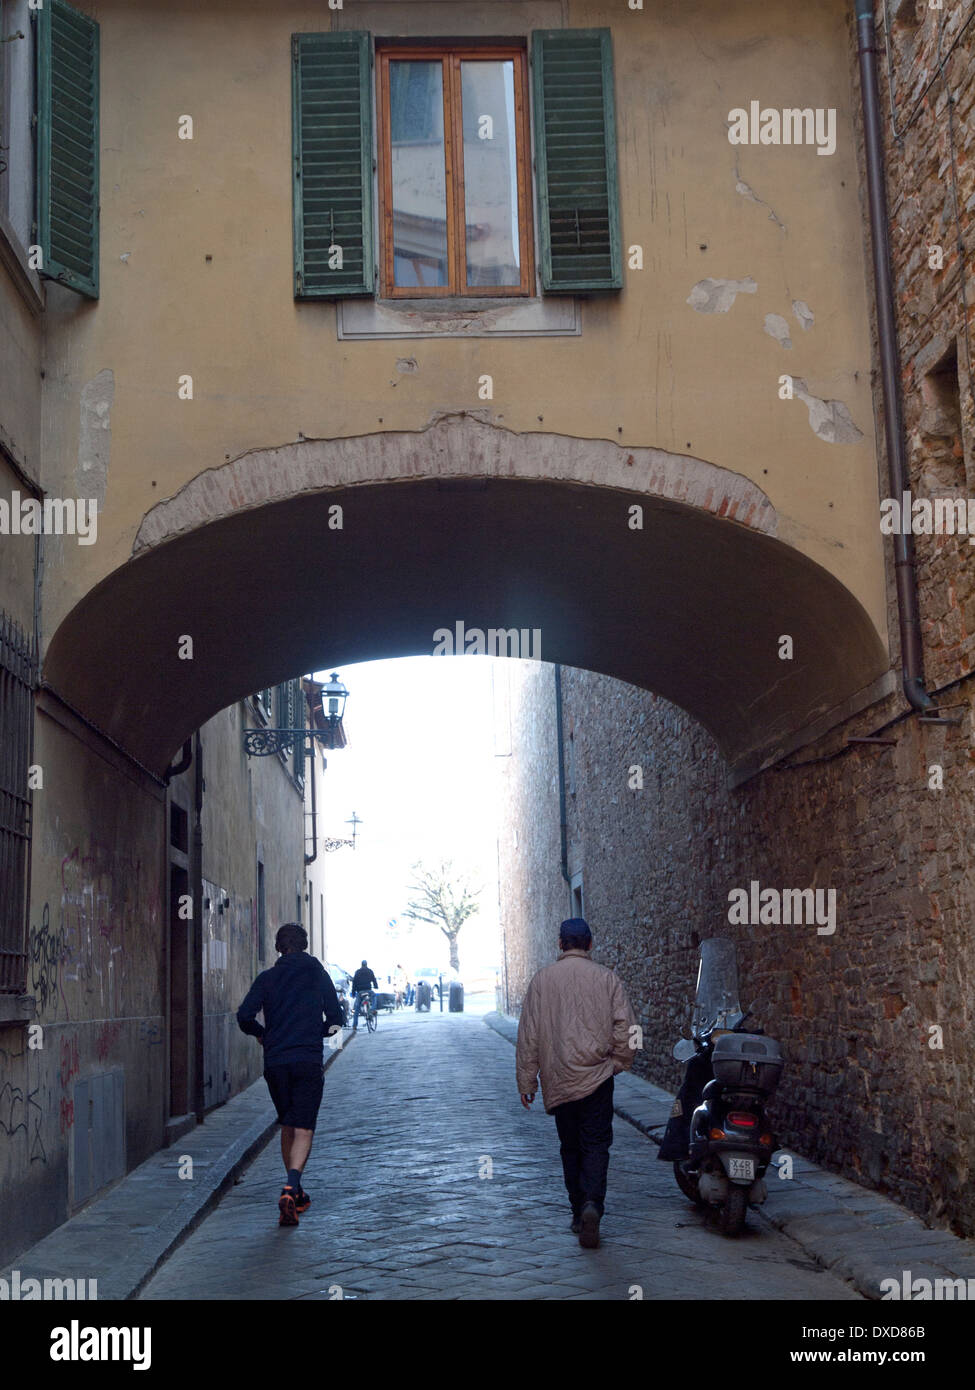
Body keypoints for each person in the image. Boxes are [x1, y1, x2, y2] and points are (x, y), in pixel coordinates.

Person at [515, 918, 635, 1249]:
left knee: (570, 1148)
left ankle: (576, 1211)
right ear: (590, 944)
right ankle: (593, 1204)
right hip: (598, 1078)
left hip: (560, 1079)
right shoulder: (608, 979)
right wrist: (619, 1063)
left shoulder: (542, 981)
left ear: (560, 944)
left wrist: (528, 1081)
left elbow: (529, 1035)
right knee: (597, 1145)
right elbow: (627, 1027)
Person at [237, 922, 343, 1226]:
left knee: (288, 1124)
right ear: (306, 945)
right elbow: (337, 1019)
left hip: (276, 1062)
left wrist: (263, 1035)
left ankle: (294, 1193)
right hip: (306, 1059)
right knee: (304, 1128)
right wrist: (318, 1032)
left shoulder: (267, 978)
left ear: (277, 948)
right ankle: (291, 1187)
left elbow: (244, 1016)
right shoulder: (317, 974)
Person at [350, 958, 379, 1030]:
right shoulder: (370, 971)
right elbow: (374, 980)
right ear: (366, 964)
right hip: (369, 991)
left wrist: (353, 993)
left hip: (360, 992)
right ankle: (372, 1009)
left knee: (356, 1008)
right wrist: (376, 986)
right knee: (374, 996)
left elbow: (354, 983)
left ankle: (354, 1025)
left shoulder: (357, 972)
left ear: (361, 965)